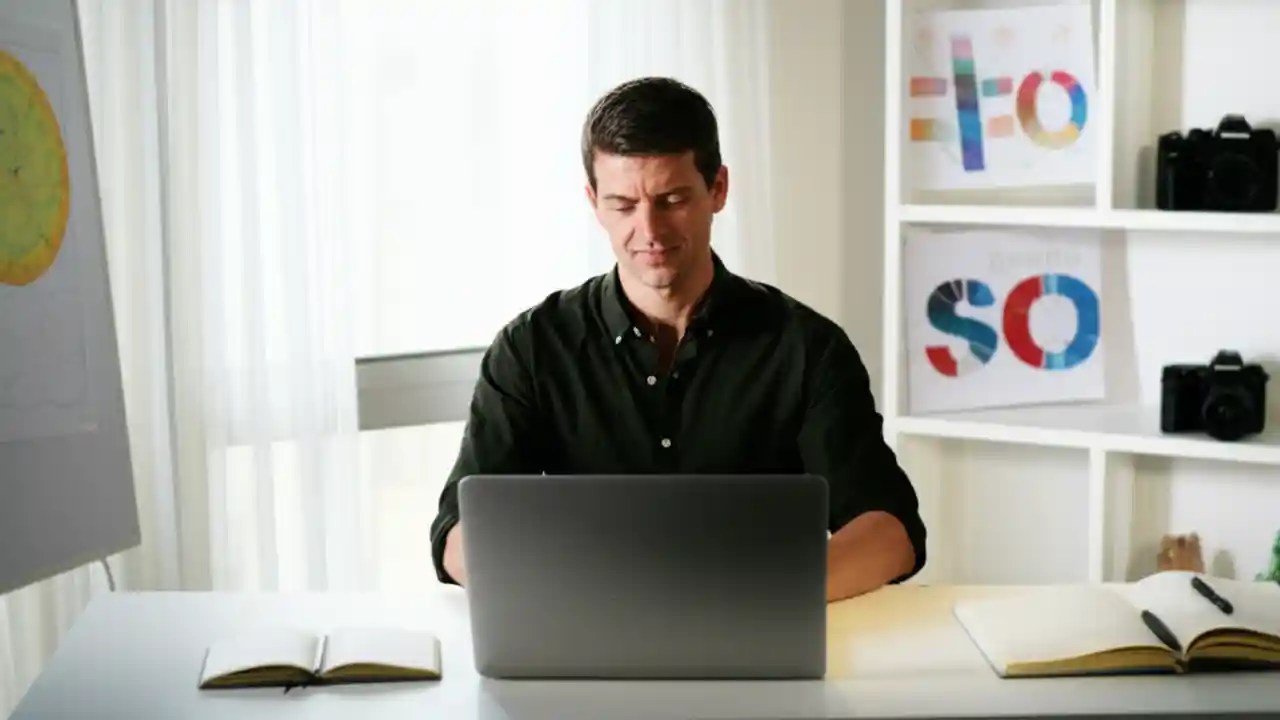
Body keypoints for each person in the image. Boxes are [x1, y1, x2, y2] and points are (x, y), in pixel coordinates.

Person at [429, 76, 926, 603]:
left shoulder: (807, 347)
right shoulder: (530, 348)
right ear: (593, 201)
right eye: (623, 205)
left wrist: (762, 595)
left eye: (671, 199)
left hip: (757, 638)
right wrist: (577, 594)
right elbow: (457, 535)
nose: (650, 231)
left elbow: (891, 532)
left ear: (718, 189)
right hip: (585, 643)